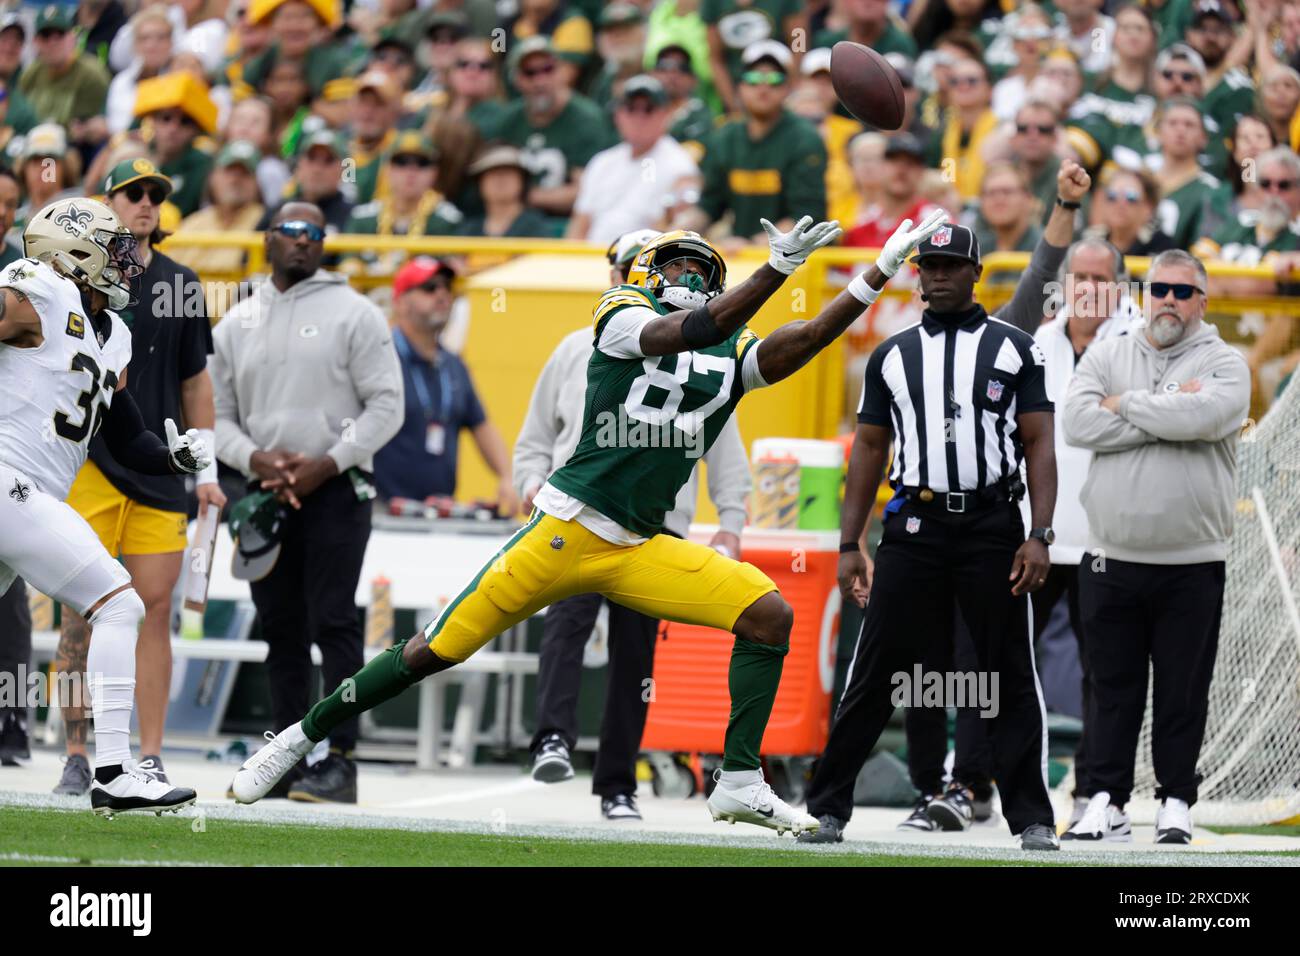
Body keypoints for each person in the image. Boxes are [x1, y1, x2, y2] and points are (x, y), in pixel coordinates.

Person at [229, 212, 860, 834]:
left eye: (703, 271)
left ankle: (740, 780)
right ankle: (297, 736)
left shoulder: (726, 344)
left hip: (643, 543)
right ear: (646, 271)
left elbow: (793, 347)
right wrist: (776, 271)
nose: (691, 278)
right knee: (433, 650)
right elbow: (690, 328)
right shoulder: (620, 313)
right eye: (679, 265)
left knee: (769, 614)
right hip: (568, 530)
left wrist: (874, 277)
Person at [798, 161, 1094, 852]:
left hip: (993, 522)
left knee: (1008, 671)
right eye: (927, 266)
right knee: (874, 668)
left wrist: (1040, 532)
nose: (935, 276)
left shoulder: (1016, 349)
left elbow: (1039, 443)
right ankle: (829, 804)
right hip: (916, 523)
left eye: (949, 267)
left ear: (974, 273)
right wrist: (850, 542)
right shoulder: (893, 355)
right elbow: (868, 448)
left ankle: (1030, 816)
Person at [513, 230, 751, 820]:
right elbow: (538, 433)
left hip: (655, 524)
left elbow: (722, 447)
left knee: (634, 657)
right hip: (580, 512)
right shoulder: (578, 345)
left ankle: (617, 781)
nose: (628, 277)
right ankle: (552, 737)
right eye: (622, 266)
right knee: (565, 628)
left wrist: (732, 519)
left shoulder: (707, 351)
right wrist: (529, 481)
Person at [0, 197, 210, 815]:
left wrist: (172, 458)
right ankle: (115, 772)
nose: (127, 262)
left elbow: (125, 434)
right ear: (74, 251)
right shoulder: (37, 287)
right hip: (12, 482)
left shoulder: (112, 332)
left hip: (26, 495)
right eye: (114, 249)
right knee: (120, 604)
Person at [211, 203, 404, 804]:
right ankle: (284, 760)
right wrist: (254, 459)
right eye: (290, 231)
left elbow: (387, 407)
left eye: (314, 233)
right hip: (264, 493)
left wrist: (327, 462)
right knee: (282, 628)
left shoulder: (357, 313)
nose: (302, 241)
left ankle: (341, 759)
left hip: (338, 491)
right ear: (267, 238)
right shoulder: (234, 322)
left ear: (324, 243)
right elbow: (213, 416)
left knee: (334, 621)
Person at [1061, 250, 1250, 844]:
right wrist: (1171, 407)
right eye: (1159, 288)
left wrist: (1125, 404)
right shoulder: (1110, 350)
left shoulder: (1226, 362)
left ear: (1202, 301)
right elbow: (1076, 422)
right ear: (1145, 294)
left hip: (1192, 560)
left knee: (1181, 691)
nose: (1169, 299)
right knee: (1111, 690)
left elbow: (1210, 415)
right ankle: (1106, 801)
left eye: (1182, 291)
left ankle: (1175, 802)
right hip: (1108, 554)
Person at [55, 159, 223, 797]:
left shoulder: (181, 282)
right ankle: (77, 749)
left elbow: (195, 382)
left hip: (159, 466)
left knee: (154, 613)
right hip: (90, 461)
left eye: (156, 194)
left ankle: (147, 755)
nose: (147, 202)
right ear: (110, 202)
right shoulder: (82, 275)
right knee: (82, 612)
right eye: (134, 192)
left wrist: (204, 465)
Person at [1026, 236, 1141, 827]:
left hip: (1108, 536)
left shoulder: (1143, 344)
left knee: (1107, 671)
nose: (1091, 289)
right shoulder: (1038, 342)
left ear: (1119, 286)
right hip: (1038, 535)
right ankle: (979, 781)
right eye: (1081, 278)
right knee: (1006, 662)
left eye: (1103, 279)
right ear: (1064, 283)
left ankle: (1096, 793)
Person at [372, 257, 516, 512]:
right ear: (400, 301)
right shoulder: (379, 358)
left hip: (437, 512)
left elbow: (481, 424)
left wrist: (507, 476)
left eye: (447, 288)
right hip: (382, 510)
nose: (441, 295)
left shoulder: (452, 364)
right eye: (429, 288)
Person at [678, 41, 827, 245]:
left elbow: (807, 218)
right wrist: (674, 235)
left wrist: (750, 245)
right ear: (740, 86)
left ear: (787, 88)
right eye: (753, 78)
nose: (763, 87)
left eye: (774, 79)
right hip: (743, 256)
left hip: (798, 261)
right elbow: (709, 206)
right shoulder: (725, 137)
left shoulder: (805, 138)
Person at [567, 76, 700, 244]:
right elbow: (579, 225)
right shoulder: (602, 162)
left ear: (665, 115)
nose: (639, 117)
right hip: (591, 258)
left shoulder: (680, 165)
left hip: (643, 262)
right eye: (631, 108)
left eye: (648, 109)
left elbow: (677, 231)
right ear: (618, 115)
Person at [498, 37, 615, 220]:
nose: (540, 80)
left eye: (548, 69)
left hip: (565, 224)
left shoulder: (587, 119)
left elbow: (585, 192)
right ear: (517, 79)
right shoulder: (509, 120)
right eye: (530, 73)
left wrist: (525, 196)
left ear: (562, 72)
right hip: (516, 222)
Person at [19, 4, 110, 151]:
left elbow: (82, 130)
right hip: (31, 145)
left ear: (72, 38)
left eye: (59, 35)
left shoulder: (91, 74)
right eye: (45, 36)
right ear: (36, 42)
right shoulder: (31, 74)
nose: (52, 43)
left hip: (74, 150)